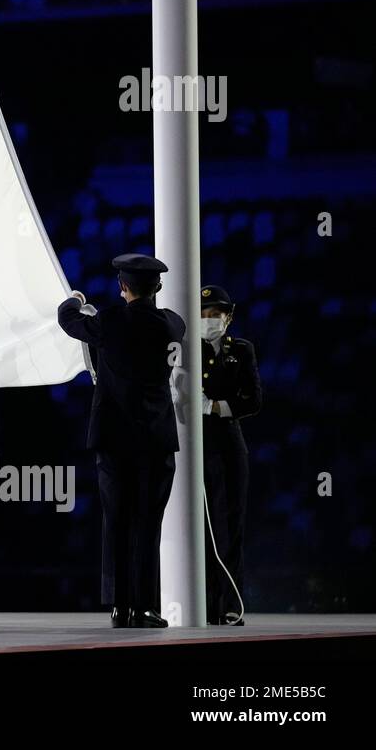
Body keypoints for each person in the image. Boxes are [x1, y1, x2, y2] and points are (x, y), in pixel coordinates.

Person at [57, 253, 184, 629]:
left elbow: (67, 320)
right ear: (157, 287)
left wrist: (76, 300)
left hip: (113, 436)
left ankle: (119, 605)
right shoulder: (171, 324)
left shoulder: (108, 321)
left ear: (121, 286)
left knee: (116, 520)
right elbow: (173, 322)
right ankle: (146, 606)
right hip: (156, 437)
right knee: (148, 523)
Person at [198, 285, 261, 626]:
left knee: (231, 525)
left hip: (228, 443)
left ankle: (230, 603)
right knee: (201, 528)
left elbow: (253, 399)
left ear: (228, 316)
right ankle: (204, 604)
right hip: (196, 446)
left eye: (216, 314)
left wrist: (217, 406)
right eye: (204, 315)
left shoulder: (241, 349)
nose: (210, 320)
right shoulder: (185, 350)